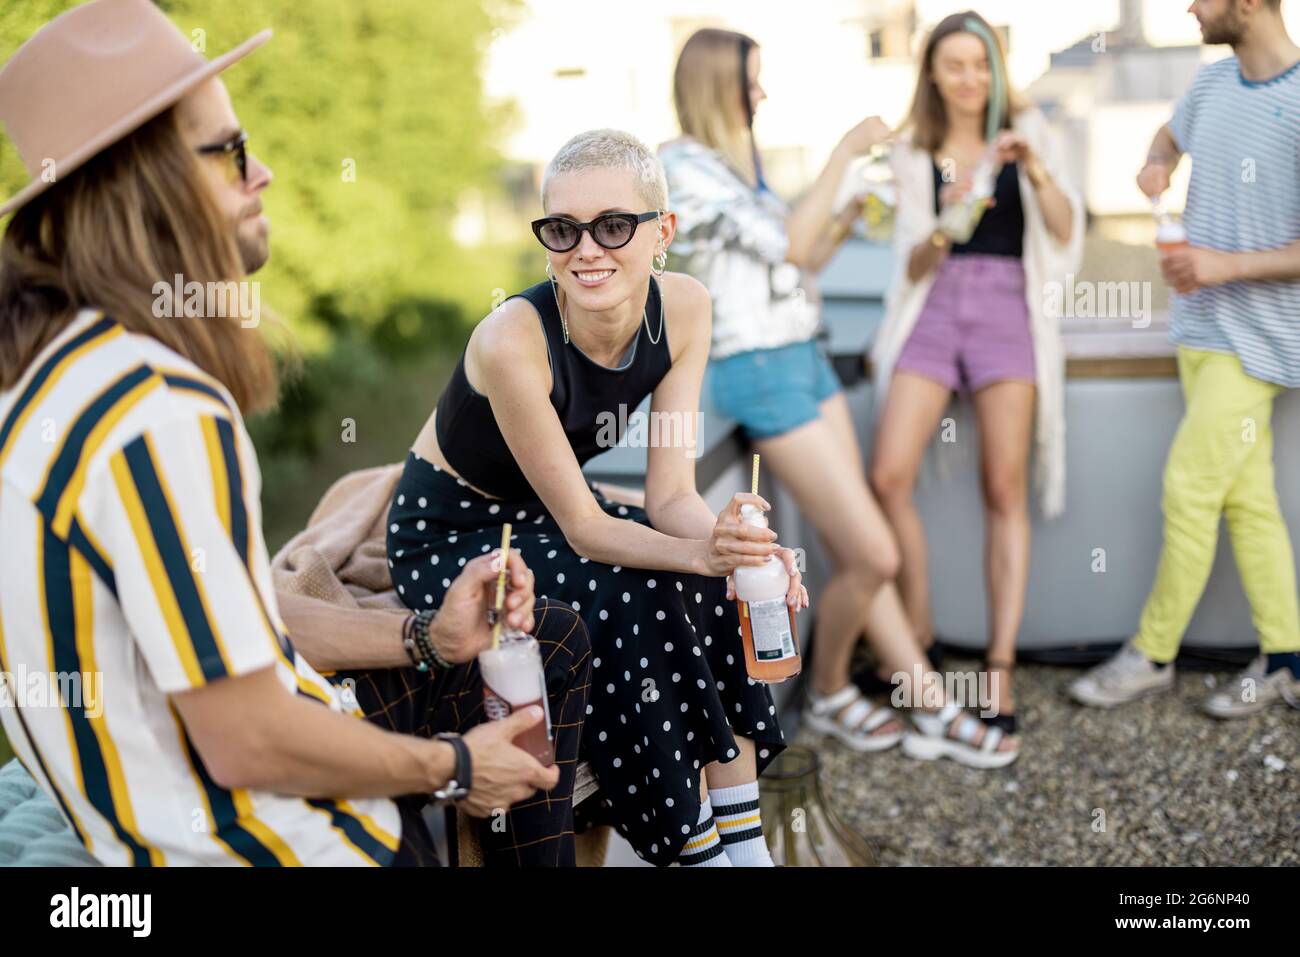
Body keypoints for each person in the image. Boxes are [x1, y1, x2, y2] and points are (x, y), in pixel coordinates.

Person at [0, 0, 578, 867]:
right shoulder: (156, 409)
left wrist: (429, 635)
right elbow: (247, 740)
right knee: (555, 645)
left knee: (536, 635)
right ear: (149, 184)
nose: (262, 170)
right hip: (288, 848)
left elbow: (204, 618)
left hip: (158, 820)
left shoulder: (45, 383)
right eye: (231, 152)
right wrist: (456, 767)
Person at [390, 128, 808, 866]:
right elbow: (586, 530)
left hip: (547, 514)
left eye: (615, 225)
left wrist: (736, 549)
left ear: (663, 232)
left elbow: (673, 493)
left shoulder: (684, 310)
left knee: (714, 582)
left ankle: (746, 844)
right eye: (563, 229)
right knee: (634, 587)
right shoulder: (511, 339)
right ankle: (694, 845)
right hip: (453, 535)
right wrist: (700, 552)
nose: (588, 250)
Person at [660, 27, 1008, 768]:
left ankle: (926, 701)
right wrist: (843, 155)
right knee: (876, 553)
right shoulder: (681, 166)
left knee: (860, 544)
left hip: (802, 356)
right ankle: (827, 690)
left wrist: (850, 208)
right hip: (757, 370)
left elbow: (807, 253)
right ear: (717, 84)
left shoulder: (736, 166)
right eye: (752, 80)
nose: (762, 92)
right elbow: (788, 244)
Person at [1070, 0, 1300, 714]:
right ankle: (1287, 657)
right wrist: (1154, 165)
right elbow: (1166, 139)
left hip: (1256, 342)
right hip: (1197, 335)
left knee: (1189, 489)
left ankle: (1152, 652)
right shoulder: (1207, 86)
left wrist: (1219, 267)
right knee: (1246, 499)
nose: (1191, 7)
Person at [868, 11, 1083, 759]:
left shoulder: (1030, 133)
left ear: (996, 69)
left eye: (980, 64)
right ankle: (919, 639)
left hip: (1006, 311)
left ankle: (998, 668)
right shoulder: (912, 149)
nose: (968, 78)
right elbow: (912, 268)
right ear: (931, 72)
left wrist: (1034, 168)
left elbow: (1063, 233)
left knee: (1003, 489)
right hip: (935, 309)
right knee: (887, 476)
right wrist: (944, 219)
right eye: (953, 64)